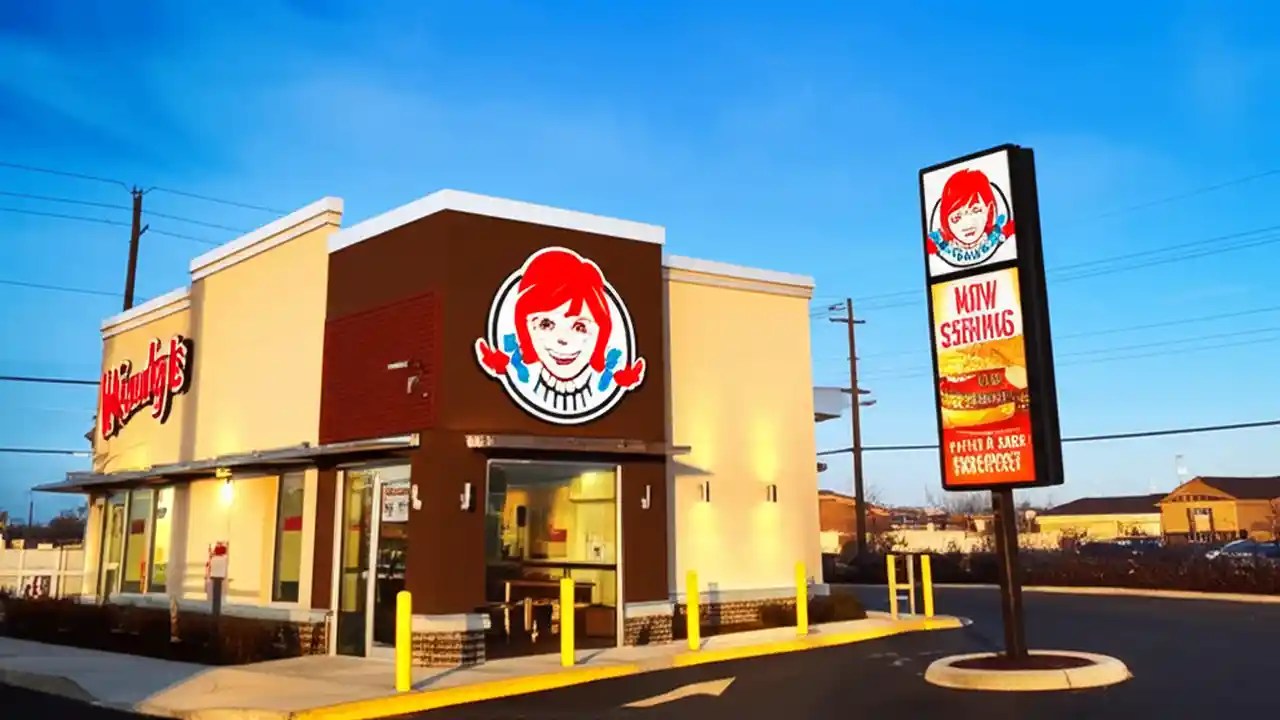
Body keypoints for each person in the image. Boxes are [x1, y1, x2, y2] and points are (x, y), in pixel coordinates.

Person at [476, 248, 645, 411]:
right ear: (525, 328)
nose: (562, 339)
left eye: (580, 327)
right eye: (546, 324)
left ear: (602, 332)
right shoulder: (520, 374)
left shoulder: (605, 382)